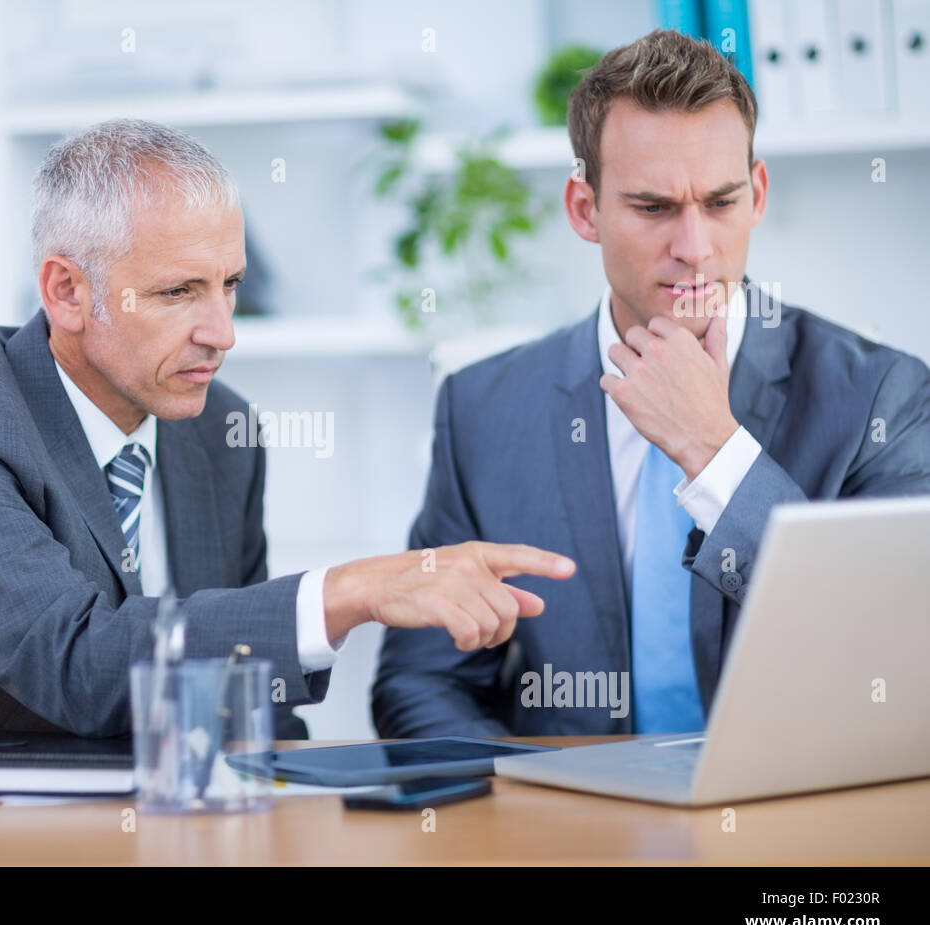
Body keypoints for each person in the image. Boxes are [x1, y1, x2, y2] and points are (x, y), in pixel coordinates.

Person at [0, 119, 575, 741]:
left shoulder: (219, 429)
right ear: (68, 291)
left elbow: (245, 690)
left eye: (230, 286)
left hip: (143, 811)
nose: (222, 332)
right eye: (179, 292)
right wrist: (347, 593)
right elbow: (80, 664)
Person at [373, 29, 930, 739]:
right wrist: (532, 814)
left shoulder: (881, 395)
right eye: (654, 208)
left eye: (720, 203)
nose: (694, 249)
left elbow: (896, 645)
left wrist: (715, 452)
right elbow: (422, 681)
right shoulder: (482, 408)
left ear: (757, 195)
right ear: (584, 210)